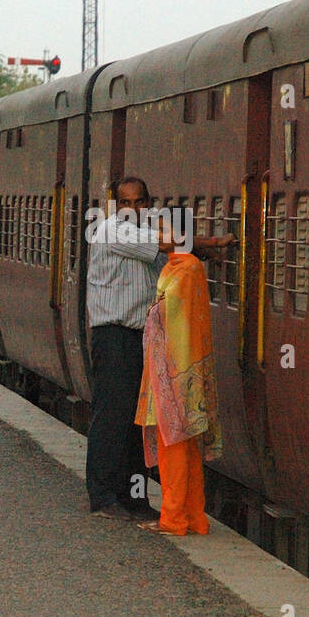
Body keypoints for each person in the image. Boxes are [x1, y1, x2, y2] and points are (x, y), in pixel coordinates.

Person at [83, 176, 233, 521]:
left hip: (143, 338)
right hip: (114, 336)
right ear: (114, 205)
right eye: (126, 202)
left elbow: (174, 253)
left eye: (140, 202)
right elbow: (167, 244)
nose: (133, 209)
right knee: (112, 417)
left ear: (147, 203)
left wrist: (205, 252)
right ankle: (104, 496)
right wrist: (215, 240)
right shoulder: (112, 231)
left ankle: (134, 497)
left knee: (140, 422)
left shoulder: (146, 230)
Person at [134, 252, 223, 535]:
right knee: (188, 451)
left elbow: (160, 315)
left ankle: (173, 519)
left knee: (172, 448)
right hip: (190, 373)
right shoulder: (186, 269)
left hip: (172, 375)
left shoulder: (184, 270)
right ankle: (194, 517)